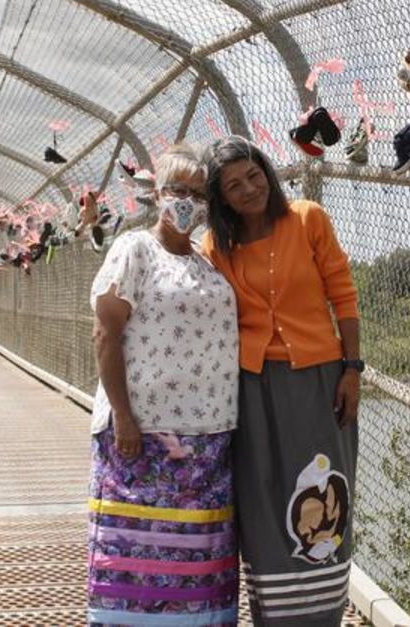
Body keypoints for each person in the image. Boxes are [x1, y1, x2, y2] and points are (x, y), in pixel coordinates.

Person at [201, 137, 362, 625]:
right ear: (220, 197)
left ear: (267, 172)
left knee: (325, 491)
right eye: (233, 185)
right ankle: (275, 615)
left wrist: (352, 370)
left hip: (320, 381)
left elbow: (344, 297)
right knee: (262, 493)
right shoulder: (216, 245)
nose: (249, 189)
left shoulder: (308, 219)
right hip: (251, 388)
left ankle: (323, 614)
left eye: (254, 175)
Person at [87, 145, 240, 626]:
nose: (186, 201)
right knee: (135, 556)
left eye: (197, 193)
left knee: (200, 565)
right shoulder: (135, 248)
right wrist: (124, 417)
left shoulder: (209, 262)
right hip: (144, 436)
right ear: (157, 192)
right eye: (177, 190)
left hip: (209, 441)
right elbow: (105, 332)